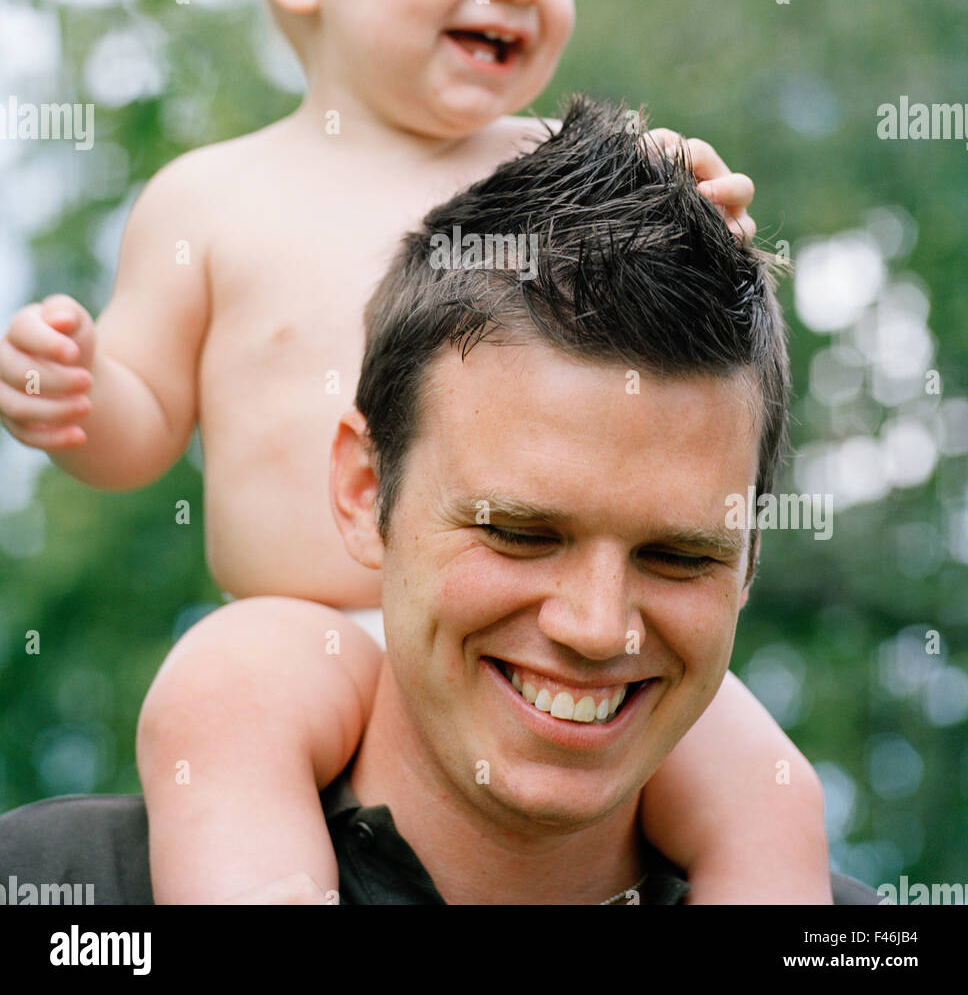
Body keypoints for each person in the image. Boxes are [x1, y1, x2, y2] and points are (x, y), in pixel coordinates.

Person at [0, 0, 825, 903]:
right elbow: (139, 426)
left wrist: (698, 205)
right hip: (306, 624)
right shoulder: (216, 195)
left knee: (769, 788)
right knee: (214, 704)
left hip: (532, 651)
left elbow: (666, 292)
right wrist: (73, 392)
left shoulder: (549, 168)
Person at [0, 99, 876, 905]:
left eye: (680, 553)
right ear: (361, 488)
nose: (599, 627)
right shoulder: (60, 886)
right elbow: (133, 419)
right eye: (520, 533)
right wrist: (81, 389)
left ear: (753, 555)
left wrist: (670, 189)